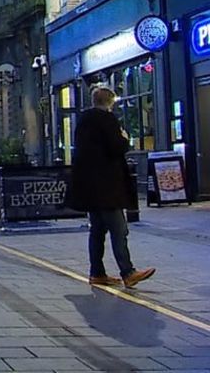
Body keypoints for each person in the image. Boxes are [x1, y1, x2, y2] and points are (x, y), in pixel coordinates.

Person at [67, 86, 155, 288]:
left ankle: (97, 273)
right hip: (107, 186)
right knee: (119, 229)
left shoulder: (82, 122)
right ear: (110, 102)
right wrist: (124, 138)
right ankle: (128, 272)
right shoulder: (107, 120)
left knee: (97, 230)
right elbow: (117, 147)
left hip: (89, 187)